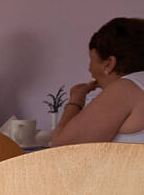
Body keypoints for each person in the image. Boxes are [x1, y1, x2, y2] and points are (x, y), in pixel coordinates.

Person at [53, 17, 144, 145]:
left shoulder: (126, 89)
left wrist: (75, 101)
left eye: (92, 59)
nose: (89, 68)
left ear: (109, 63)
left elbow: (61, 149)